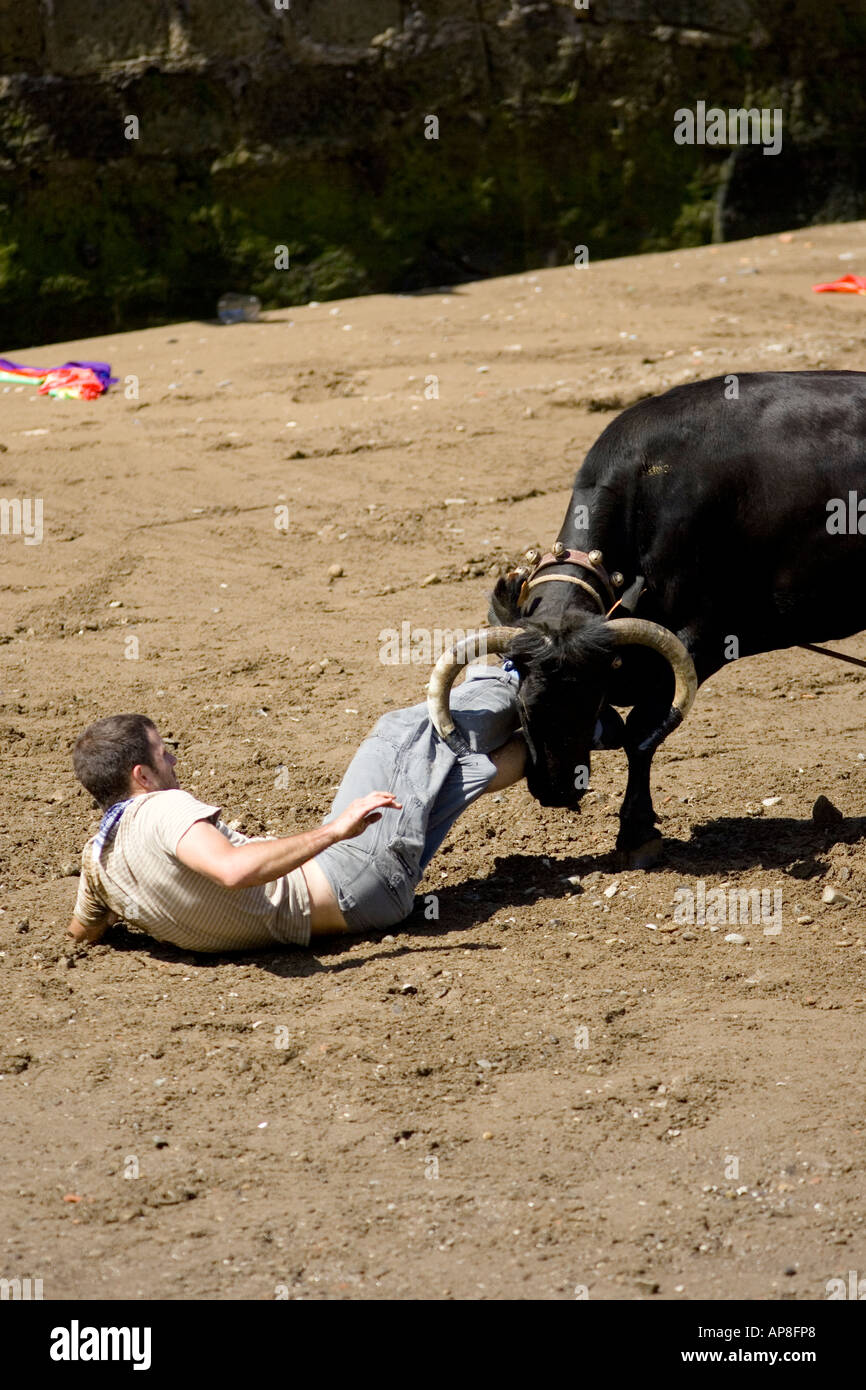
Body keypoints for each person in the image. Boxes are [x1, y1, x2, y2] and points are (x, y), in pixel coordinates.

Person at [68, 665, 525, 953]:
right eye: (161, 753)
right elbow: (232, 870)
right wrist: (336, 833)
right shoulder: (160, 809)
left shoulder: (98, 858)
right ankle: (517, 671)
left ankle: (582, 733)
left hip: (369, 907)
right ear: (141, 777)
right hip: (348, 875)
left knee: (452, 773)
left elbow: (82, 932)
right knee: (403, 731)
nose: (172, 759)